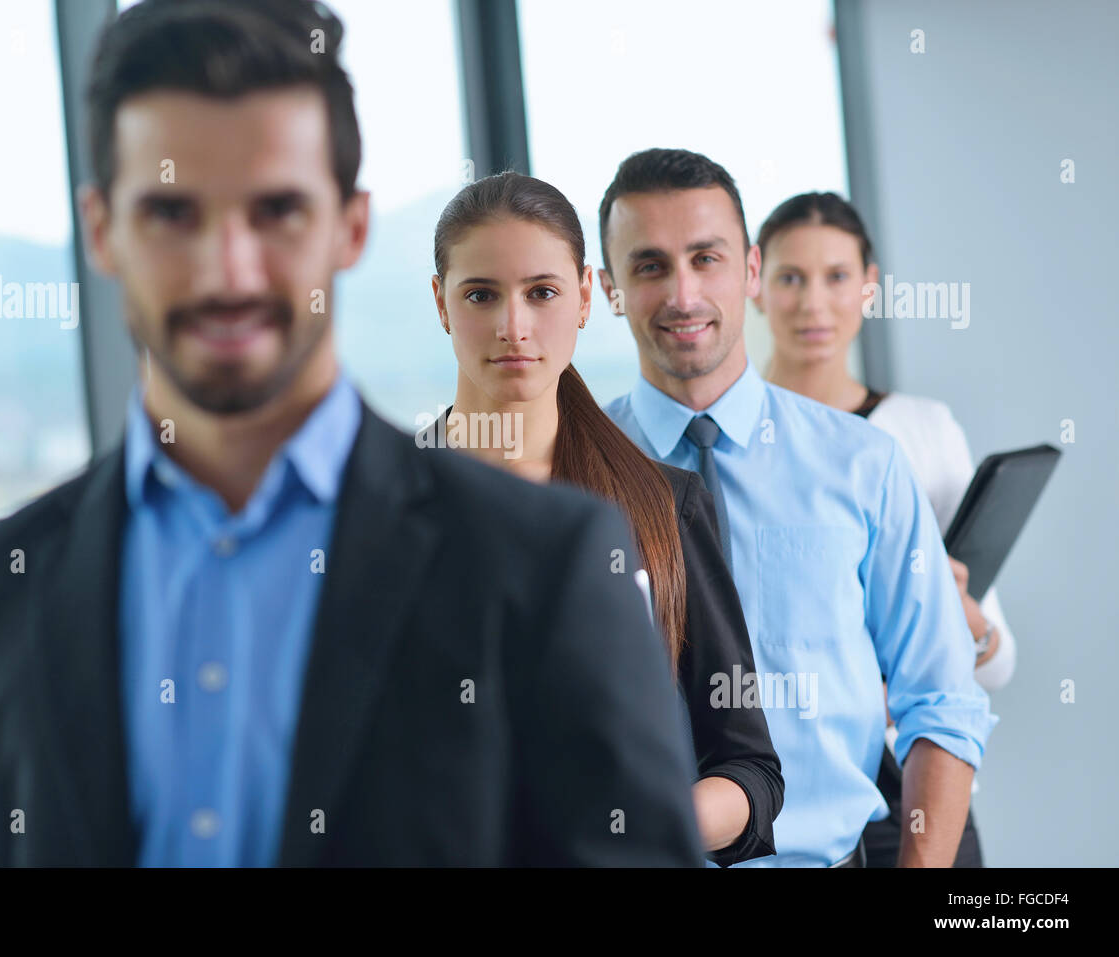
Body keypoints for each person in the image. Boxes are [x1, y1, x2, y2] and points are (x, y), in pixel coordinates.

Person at [0, 0, 704, 867]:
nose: (227, 270)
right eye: (172, 212)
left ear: (351, 226)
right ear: (100, 230)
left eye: (276, 209)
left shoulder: (543, 564)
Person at [599, 148, 997, 867]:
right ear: (609, 288)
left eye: (706, 258)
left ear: (749, 270)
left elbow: (941, 697)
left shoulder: (864, 463)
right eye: (650, 266)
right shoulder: (573, 476)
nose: (684, 294)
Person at [423, 171, 783, 865]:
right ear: (441, 303)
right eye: (480, 294)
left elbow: (748, 770)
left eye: (542, 292)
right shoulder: (381, 513)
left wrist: (630, 817)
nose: (514, 326)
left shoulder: (660, 504)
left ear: (586, 295)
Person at [754, 190, 1016, 866]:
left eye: (837, 276)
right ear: (754, 284)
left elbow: (997, 659)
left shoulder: (920, 431)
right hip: (788, 792)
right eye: (790, 277)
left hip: (918, 786)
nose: (814, 303)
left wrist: (962, 623)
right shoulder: (726, 440)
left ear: (870, 288)